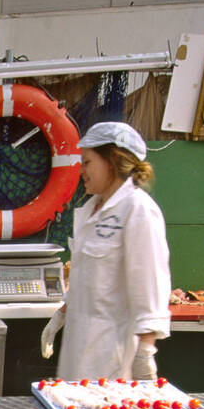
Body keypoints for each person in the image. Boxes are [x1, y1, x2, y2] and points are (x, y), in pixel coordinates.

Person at [42, 121, 171, 381]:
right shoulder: (91, 211)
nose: (82, 171)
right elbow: (88, 279)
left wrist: (146, 351)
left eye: (88, 162)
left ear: (111, 161)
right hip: (78, 348)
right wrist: (61, 314)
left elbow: (151, 285)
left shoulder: (138, 210)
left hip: (112, 354)